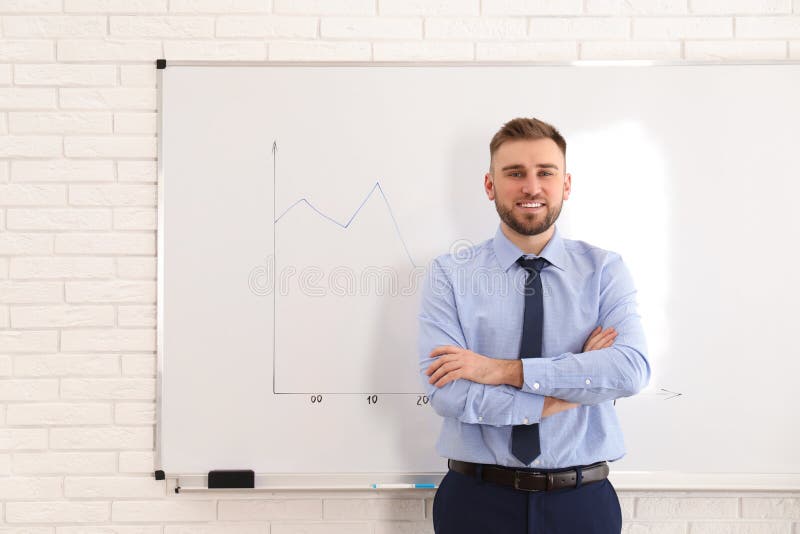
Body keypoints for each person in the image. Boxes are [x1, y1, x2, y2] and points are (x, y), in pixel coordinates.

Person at [418, 117, 651, 533]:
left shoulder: (605, 271)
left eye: (546, 172)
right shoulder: (450, 274)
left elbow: (629, 370)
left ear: (566, 184)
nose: (531, 187)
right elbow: (448, 393)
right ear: (490, 185)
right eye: (515, 173)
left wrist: (500, 370)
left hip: (583, 505)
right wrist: (574, 389)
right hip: (475, 503)